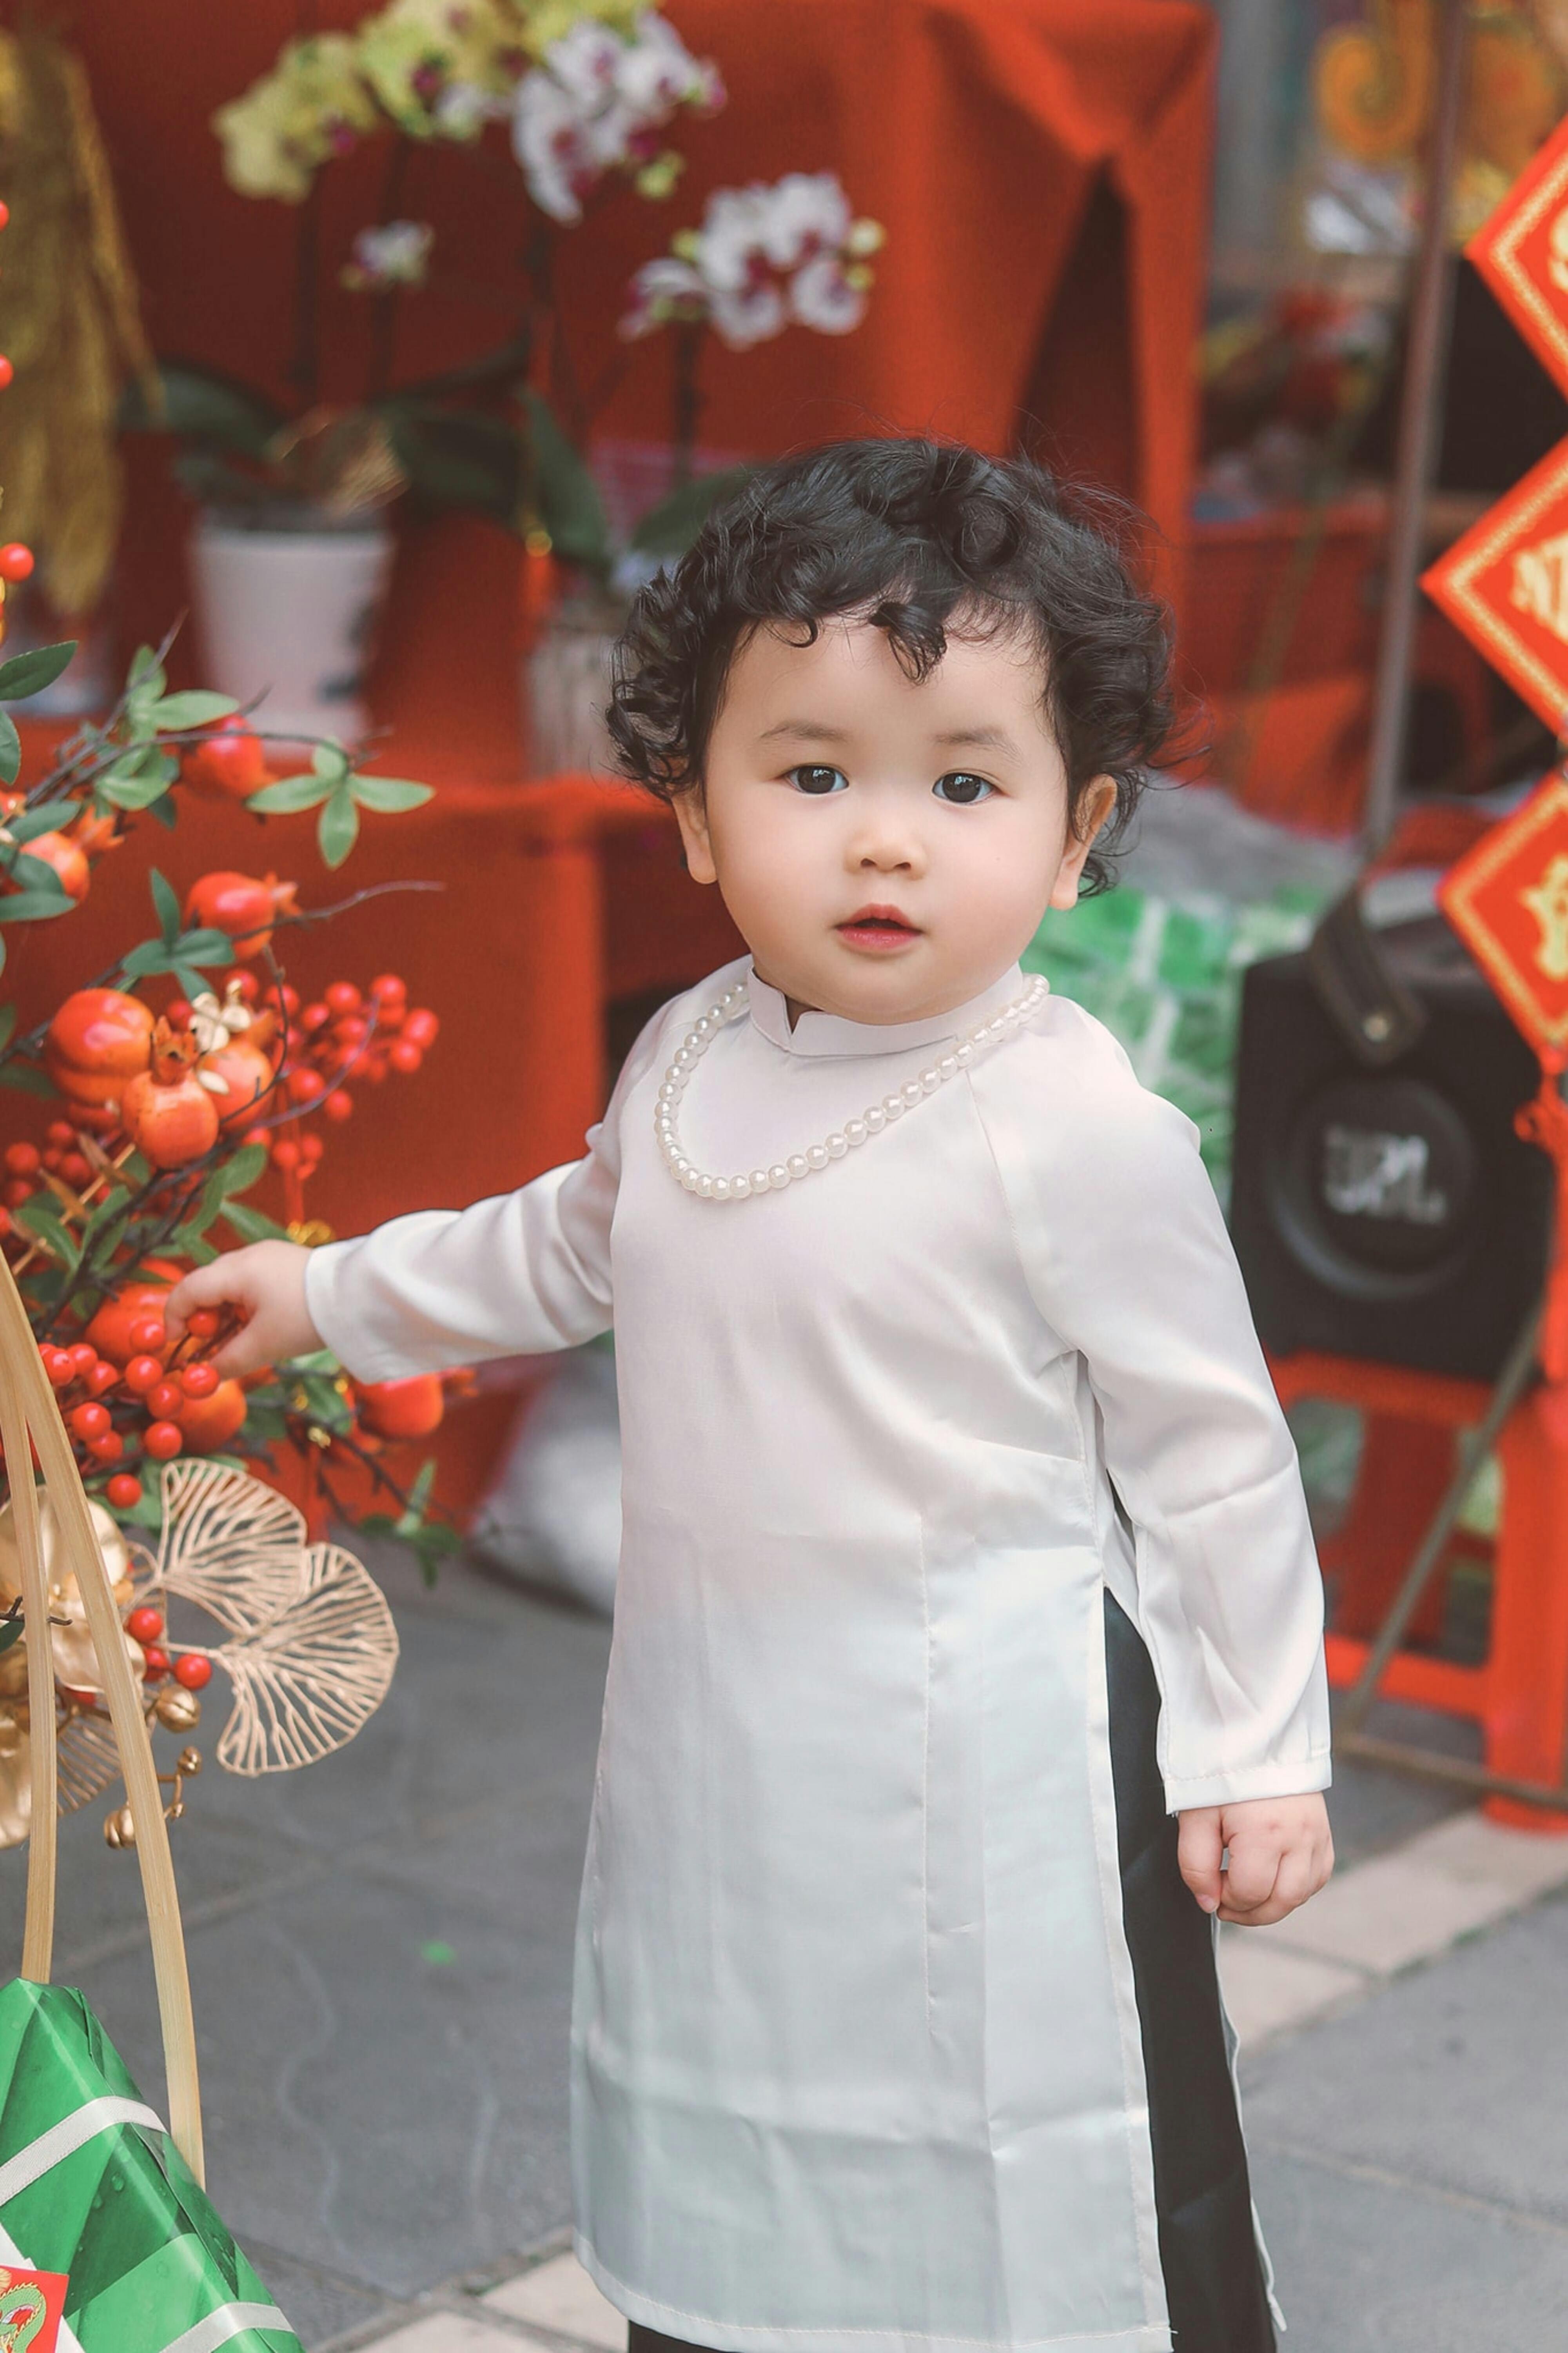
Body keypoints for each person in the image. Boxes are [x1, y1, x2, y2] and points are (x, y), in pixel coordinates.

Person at [166, 440, 1334, 2353]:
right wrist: (325, 1294)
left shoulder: (1074, 1126)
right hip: (721, 1751)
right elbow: (568, 1243)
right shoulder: (693, 1054)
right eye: (813, 774)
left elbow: (1211, 1455)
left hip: (999, 1765)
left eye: (964, 782)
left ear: (1072, 827)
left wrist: (1254, 1748)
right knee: (740, 2128)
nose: (887, 839)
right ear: (696, 819)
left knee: (1033, 2164)